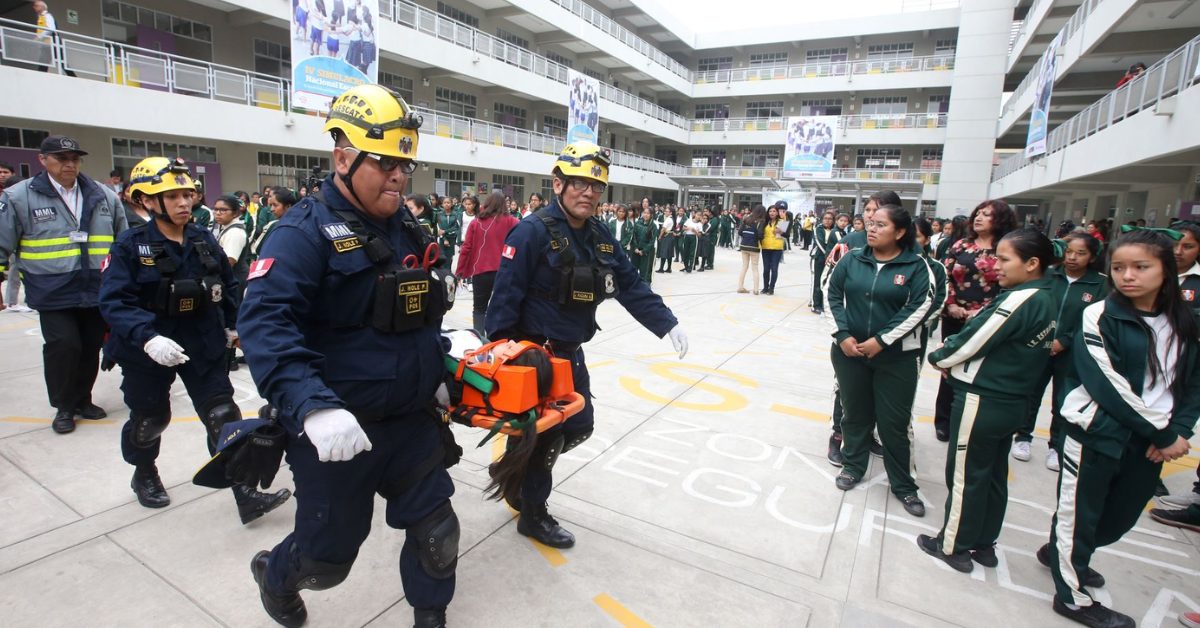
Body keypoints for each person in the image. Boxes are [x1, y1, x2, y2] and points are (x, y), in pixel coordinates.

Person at [239, 84, 460, 628]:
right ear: (343, 158)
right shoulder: (301, 232)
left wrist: (441, 365)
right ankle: (275, 577)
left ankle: (431, 617)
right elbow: (265, 324)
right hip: (340, 431)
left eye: (405, 165)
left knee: (438, 533)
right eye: (384, 163)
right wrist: (313, 407)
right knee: (325, 560)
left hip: (410, 422)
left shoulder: (407, 226)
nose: (398, 176)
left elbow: (418, 312)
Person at [486, 140, 688, 549]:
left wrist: (667, 323)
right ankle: (533, 513)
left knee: (580, 426)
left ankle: (514, 466)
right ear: (558, 184)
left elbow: (629, 283)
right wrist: (505, 352)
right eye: (579, 183)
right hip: (535, 356)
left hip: (571, 354)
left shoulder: (599, 234)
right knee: (546, 435)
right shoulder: (531, 232)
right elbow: (504, 298)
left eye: (597, 187)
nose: (589, 193)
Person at [98, 155, 291, 522]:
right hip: (149, 348)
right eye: (172, 196)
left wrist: (233, 325)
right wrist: (148, 338)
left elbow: (227, 285)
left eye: (187, 195)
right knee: (150, 420)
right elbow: (114, 301)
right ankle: (144, 472)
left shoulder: (203, 239)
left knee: (223, 415)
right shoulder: (129, 245)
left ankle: (244, 491)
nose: (184, 202)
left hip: (202, 340)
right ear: (146, 200)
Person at [1044, 228, 1199, 628]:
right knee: (1079, 517)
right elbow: (1107, 385)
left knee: (1120, 516)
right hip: (1097, 433)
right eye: (1118, 267)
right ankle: (1073, 598)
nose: (1127, 276)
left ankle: (1062, 551)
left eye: (1140, 267)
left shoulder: (1187, 320)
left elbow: (1192, 383)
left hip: (1151, 441)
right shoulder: (1100, 315)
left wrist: (1180, 429)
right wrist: (1163, 435)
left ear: (1165, 270)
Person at [918, 228, 1060, 573]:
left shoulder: (1020, 299)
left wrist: (940, 357)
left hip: (983, 399)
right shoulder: (1047, 296)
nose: (995, 265)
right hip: (1012, 400)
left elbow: (976, 338)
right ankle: (984, 543)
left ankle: (953, 546)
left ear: (1032, 263)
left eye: (1004, 259)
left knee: (966, 475)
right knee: (993, 475)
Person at [0, 135, 126, 433]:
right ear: (43, 160)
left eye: (75, 159)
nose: (70, 164)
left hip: (96, 288)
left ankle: (83, 399)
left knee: (90, 347)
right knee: (64, 345)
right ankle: (64, 406)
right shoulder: (18, 197)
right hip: (52, 290)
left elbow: (123, 241)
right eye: (61, 158)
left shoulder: (103, 195)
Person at [827, 204, 934, 517]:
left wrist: (883, 340)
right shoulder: (851, 258)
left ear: (900, 232)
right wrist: (842, 335)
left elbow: (920, 306)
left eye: (880, 225)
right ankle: (852, 466)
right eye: (870, 223)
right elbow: (831, 294)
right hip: (849, 353)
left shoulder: (916, 266)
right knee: (854, 414)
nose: (871, 228)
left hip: (897, 358)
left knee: (894, 424)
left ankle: (904, 485)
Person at [1012, 233, 1107, 470]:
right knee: (1031, 393)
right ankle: (1023, 437)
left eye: (1081, 253)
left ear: (1092, 257)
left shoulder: (1100, 284)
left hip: (1073, 352)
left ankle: (1056, 445)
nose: (1072, 257)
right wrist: (1043, 338)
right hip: (1039, 346)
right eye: (1069, 251)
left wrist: (1064, 341)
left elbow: (1096, 321)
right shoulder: (1048, 275)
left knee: (1063, 399)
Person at [933, 200, 1019, 441]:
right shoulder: (961, 245)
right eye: (977, 214)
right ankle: (944, 420)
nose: (979, 218)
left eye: (986, 215)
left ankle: (974, 421)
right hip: (955, 317)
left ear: (1000, 220)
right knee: (949, 365)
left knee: (981, 369)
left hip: (990, 320)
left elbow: (1010, 284)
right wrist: (950, 304)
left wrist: (980, 312)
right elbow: (945, 276)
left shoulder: (1006, 249)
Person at [456, 191, 518, 336]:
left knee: (479, 309)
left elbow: (466, 248)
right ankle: (497, 338)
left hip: (481, 271)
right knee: (501, 308)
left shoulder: (476, 222)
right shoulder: (513, 222)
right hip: (504, 272)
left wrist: (459, 272)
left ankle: (480, 340)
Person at [32, 2, 76, 77]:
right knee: (45, 61)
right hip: (47, 43)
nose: (34, 7)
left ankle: (73, 77)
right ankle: (41, 76)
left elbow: (51, 28)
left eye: (36, 6)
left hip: (53, 42)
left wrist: (39, 37)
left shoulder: (47, 16)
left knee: (59, 61)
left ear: (42, 7)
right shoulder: (41, 17)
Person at [810, 210, 841, 316]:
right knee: (817, 281)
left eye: (830, 219)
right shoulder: (818, 229)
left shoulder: (836, 230)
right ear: (822, 219)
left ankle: (824, 304)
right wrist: (829, 256)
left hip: (832, 259)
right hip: (819, 258)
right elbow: (820, 243)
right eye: (825, 218)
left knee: (827, 282)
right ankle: (816, 305)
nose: (828, 221)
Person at [251, 187, 296, 258]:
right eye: (271, 205)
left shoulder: (274, 225)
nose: (272, 209)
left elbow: (258, 248)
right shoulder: (302, 223)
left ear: (288, 206)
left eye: (275, 205)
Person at [736, 205, 765, 295]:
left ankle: (740, 287)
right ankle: (756, 289)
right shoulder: (761, 221)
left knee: (744, 266)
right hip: (754, 247)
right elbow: (760, 235)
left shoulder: (746, 219)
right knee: (755, 267)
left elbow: (740, 232)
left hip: (744, 246)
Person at [761, 204, 785, 295]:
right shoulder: (765, 222)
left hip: (777, 248)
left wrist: (781, 232)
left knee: (774, 268)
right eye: (770, 211)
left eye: (774, 211)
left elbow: (784, 234)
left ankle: (771, 288)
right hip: (766, 247)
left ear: (777, 213)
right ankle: (765, 287)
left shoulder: (782, 222)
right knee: (766, 269)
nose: (772, 213)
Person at [631, 207, 657, 284]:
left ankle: (645, 284)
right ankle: (634, 284)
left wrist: (644, 250)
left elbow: (652, 241)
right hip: (636, 250)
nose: (646, 215)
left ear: (651, 215)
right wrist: (635, 247)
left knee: (645, 269)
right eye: (644, 213)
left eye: (648, 213)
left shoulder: (653, 226)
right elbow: (633, 236)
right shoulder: (637, 223)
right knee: (634, 268)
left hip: (646, 251)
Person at [436, 195, 461, 266]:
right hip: (442, 239)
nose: (446, 204)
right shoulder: (439, 214)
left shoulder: (456, 214)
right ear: (442, 204)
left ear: (451, 204)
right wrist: (444, 239)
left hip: (452, 238)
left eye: (448, 202)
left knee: (450, 257)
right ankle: (442, 271)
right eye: (445, 203)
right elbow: (439, 228)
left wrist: (445, 231)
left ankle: (448, 270)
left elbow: (456, 227)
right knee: (441, 256)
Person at [656, 203, 676, 273]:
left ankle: (661, 268)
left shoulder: (668, 219)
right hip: (670, 236)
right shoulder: (672, 219)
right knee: (669, 253)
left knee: (664, 252)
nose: (665, 212)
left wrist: (660, 236)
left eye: (667, 211)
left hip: (667, 236)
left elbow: (663, 229)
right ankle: (669, 268)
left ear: (670, 213)